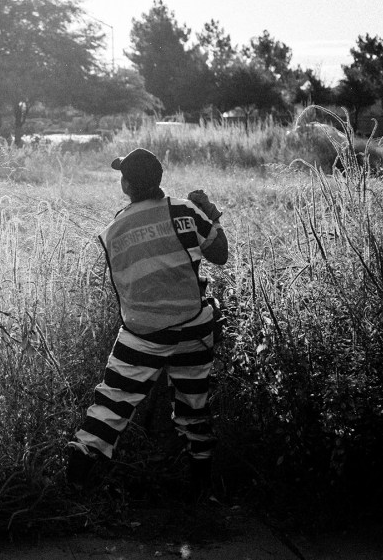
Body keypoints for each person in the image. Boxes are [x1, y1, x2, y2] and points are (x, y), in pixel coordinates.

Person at [67, 147, 229, 501]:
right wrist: (210, 213)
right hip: (193, 324)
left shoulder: (115, 228)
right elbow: (220, 256)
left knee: (112, 403)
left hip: (144, 331)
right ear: (158, 181)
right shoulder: (185, 211)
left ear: (126, 185)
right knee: (193, 404)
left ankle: (73, 487)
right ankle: (201, 491)